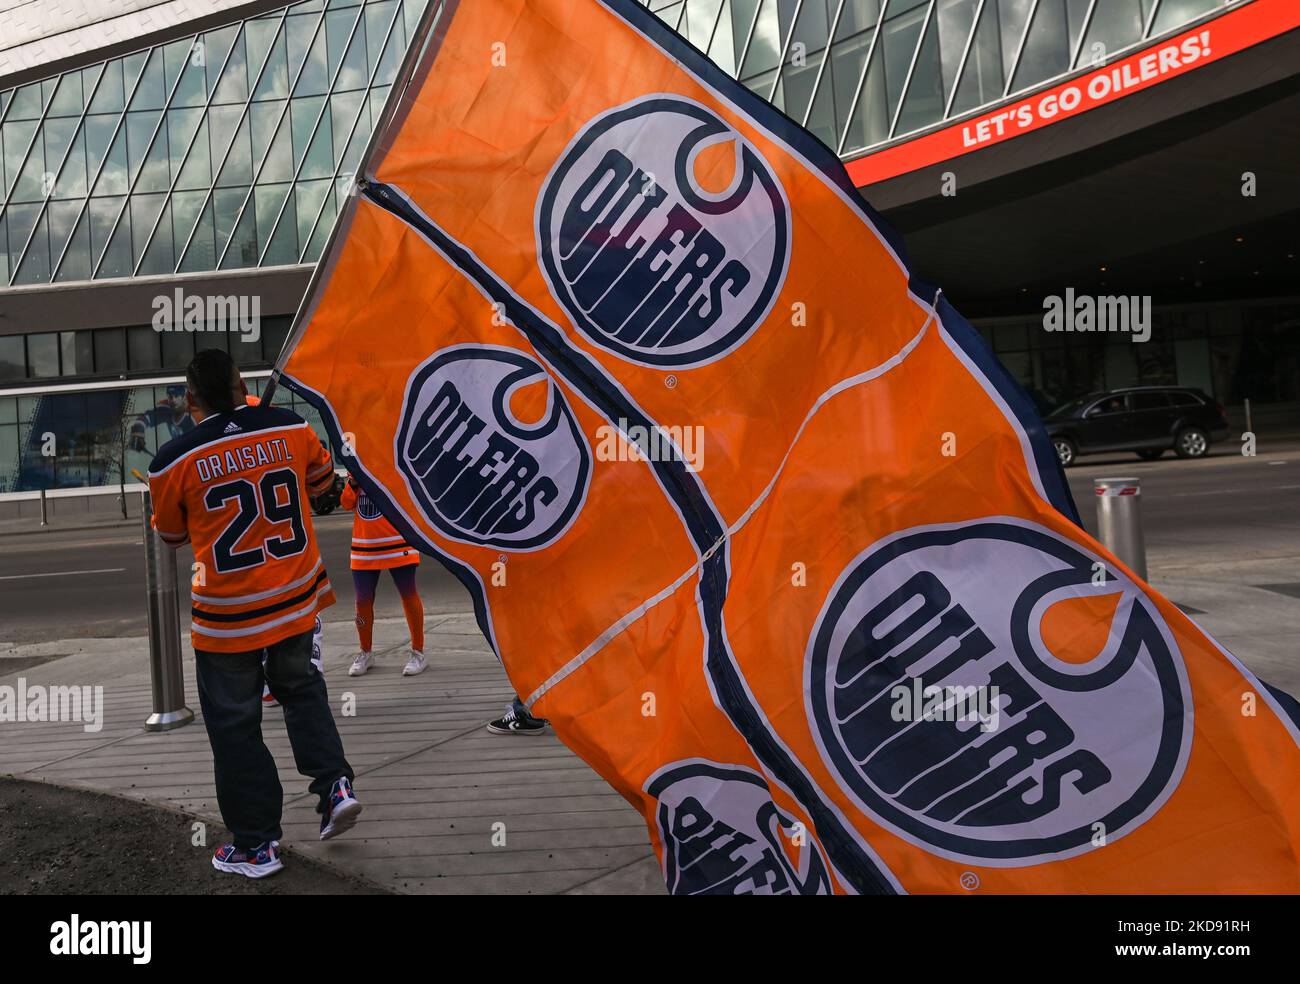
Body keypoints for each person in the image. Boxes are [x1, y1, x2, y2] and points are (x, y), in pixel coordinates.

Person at [147, 349, 361, 879]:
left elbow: (172, 537)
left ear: (190, 400)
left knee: (235, 727)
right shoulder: (290, 427)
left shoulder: (171, 461)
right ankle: (334, 786)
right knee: (302, 691)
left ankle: (256, 845)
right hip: (294, 598)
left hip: (228, 617)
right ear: (242, 385)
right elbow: (321, 488)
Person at [340, 475, 428, 677]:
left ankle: (418, 652)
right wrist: (353, 484)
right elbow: (346, 503)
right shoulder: (357, 466)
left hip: (398, 543)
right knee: (362, 601)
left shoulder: (392, 463)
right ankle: (365, 651)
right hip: (364, 547)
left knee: (409, 595)